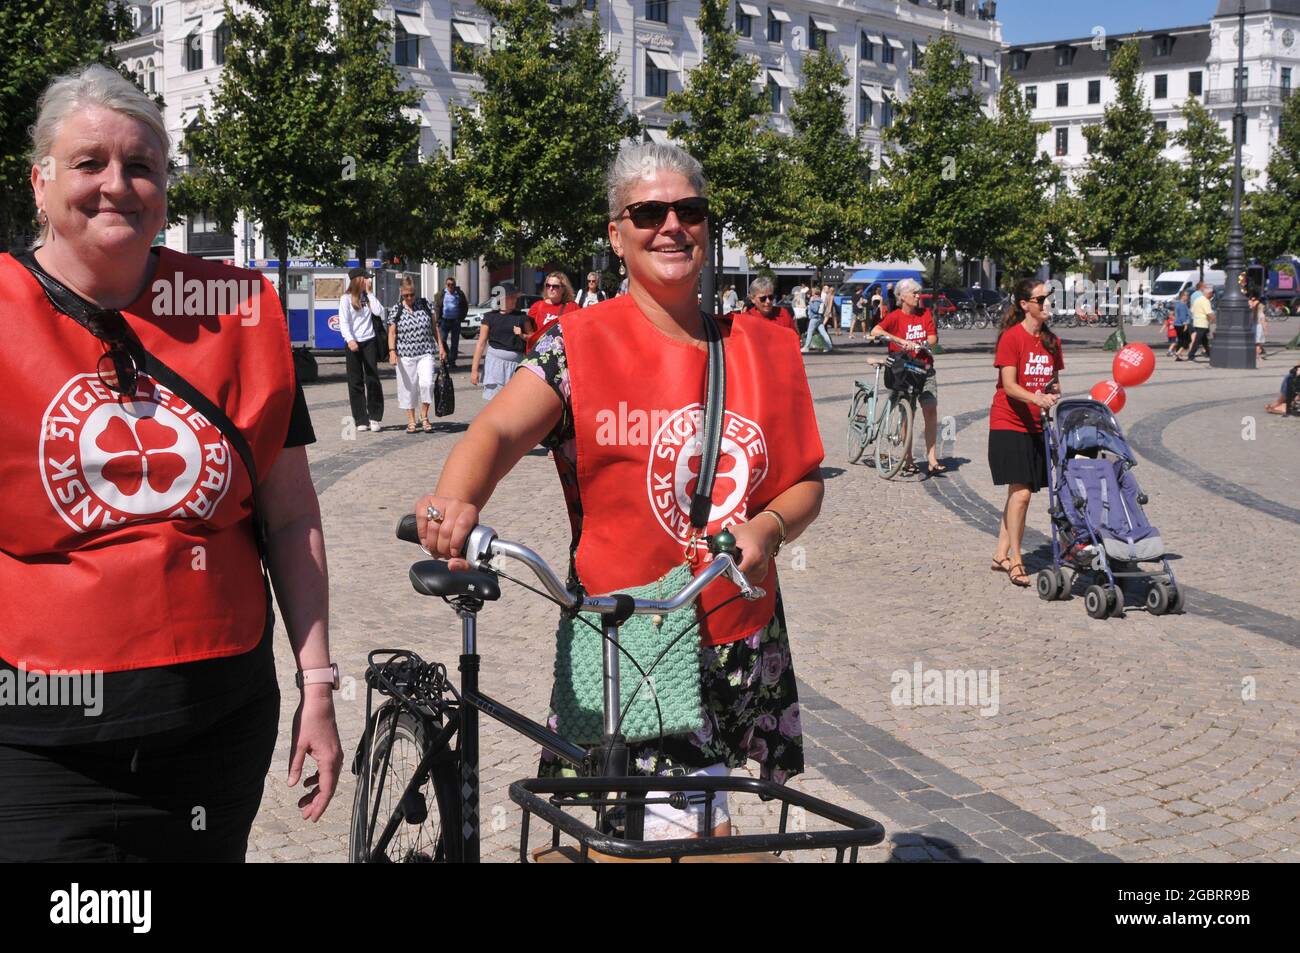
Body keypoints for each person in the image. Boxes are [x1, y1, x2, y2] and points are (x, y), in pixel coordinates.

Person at [414, 142, 822, 840]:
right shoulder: (575, 344)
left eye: (687, 209)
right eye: (647, 212)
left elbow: (804, 483)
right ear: (616, 234)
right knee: (672, 835)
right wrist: (457, 501)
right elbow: (497, 434)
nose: (671, 225)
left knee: (702, 815)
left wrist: (771, 528)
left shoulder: (764, 346)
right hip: (630, 637)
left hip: (733, 633)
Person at [0, 64, 340, 861]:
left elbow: (291, 518)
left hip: (215, 725)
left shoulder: (238, 312)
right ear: (39, 181)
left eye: (141, 166)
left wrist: (317, 683)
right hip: (38, 737)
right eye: (89, 162)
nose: (117, 184)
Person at [988, 278, 1063, 589]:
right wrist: (1036, 398)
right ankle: (1017, 560)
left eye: (1048, 299)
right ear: (1025, 305)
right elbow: (1009, 385)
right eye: (1040, 299)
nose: (1046, 304)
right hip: (1008, 423)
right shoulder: (1011, 338)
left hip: (1037, 425)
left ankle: (999, 554)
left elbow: (1054, 382)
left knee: (1020, 493)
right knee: (1020, 494)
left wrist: (1053, 396)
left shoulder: (1051, 342)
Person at [871, 278, 944, 474]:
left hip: (924, 369)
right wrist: (899, 340)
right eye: (914, 293)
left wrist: (923, 344)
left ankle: (931, 458)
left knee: (930, 408)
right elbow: (876, 330)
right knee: (907, 414)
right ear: (902, 297)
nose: (918, 296)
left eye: (918, 293)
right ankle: (908, 457)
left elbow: (932, 337)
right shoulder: (894, 316)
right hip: (904, 370)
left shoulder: (925, 314)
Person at [386, 276, 447, 433]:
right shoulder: (396, 310)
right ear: (401, 292)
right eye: (406, 295)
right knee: (408, 388)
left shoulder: (425, 304)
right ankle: (411, 419)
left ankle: (424, 416)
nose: (409, 298)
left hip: (425, 352)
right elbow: (392, 333)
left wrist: (441, 346)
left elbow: (434, 328)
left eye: (412, 294)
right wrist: (392, 352)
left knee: (427, 383)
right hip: (404, 354)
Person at [339, 266, 385, 431]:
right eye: (366, 278)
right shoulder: (345, 299)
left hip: (369, 341)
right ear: (359, 280)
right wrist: (350, 340)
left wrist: (371, 293)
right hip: (353, 342)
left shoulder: (368, 297)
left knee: (372, 378)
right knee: (355, 381)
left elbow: (380, 312)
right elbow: (343, 322)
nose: (369, 280)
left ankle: (374, 417)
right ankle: (360, 419)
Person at [471, 283, 530, 400]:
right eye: (511, 297)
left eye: (515, 297)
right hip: (494, 365)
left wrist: (522, 335)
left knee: (514, 401)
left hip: (515, 365)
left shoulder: (522, 317)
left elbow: (532, 337)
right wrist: (474, 370)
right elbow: (481, 344)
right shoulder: (489, 317)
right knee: (495, 401)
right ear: (501, 299)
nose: (514, 300)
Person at [433, 275, 468, 369]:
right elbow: (437, 307)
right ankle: (448, 356)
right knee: (442, 340)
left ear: (455, 285)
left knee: (455, 342)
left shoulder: (459, 294)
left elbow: (465, 306)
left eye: (452, 285)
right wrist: (437, 319)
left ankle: (452, 361)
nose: (450, 286)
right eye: (448, 284)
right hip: (444, 320)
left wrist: (461, 317)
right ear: (446, 285)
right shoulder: (441, 294)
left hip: (455, 321)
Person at [1186, 284, 1215, 362]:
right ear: (1209, 293)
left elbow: (1192, 310)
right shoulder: (1206, 301)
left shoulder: (1198, 300)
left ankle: (1210, 354)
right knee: (1197, 340)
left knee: (1204, 340)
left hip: (1197, 322)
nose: (1213, 295)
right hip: (1203, 323)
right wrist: (1215, 320)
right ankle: (1191, 355)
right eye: (1212, 293)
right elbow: (1209, 313)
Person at [802, 284, 833, 353]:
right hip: (820, 318)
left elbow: (815, 309)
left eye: (812, 291)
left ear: (815, 292)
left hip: (814, 318)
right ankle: (829, 346)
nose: (811, 292)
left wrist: (810, 303)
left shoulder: (815, 300)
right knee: (823, 332)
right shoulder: (820, 300)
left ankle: (806, 347)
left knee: (810, 332)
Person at [1172, 289, 1193, 360]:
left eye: (1188, 295)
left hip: (1177, 324)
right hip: (1182, 325)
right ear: (1182, 296)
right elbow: (1182, 316)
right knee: (1188, 340)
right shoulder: (1183, 305)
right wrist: (1185, 325)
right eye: (1186, 295)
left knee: (1180, 340)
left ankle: (1177, 356)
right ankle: (1178, 353)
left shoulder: (1177, 303)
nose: (1188, 297)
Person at [1250, 291, 1269, 361]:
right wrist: (1266, 330)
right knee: (1258, 344)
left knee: (1255, 343)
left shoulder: (1253, 313)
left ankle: (1255, 355)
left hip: (1253, 327)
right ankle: (1257, 356)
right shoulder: (1261, 314)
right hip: (1259, 328)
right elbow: (1263, 322)